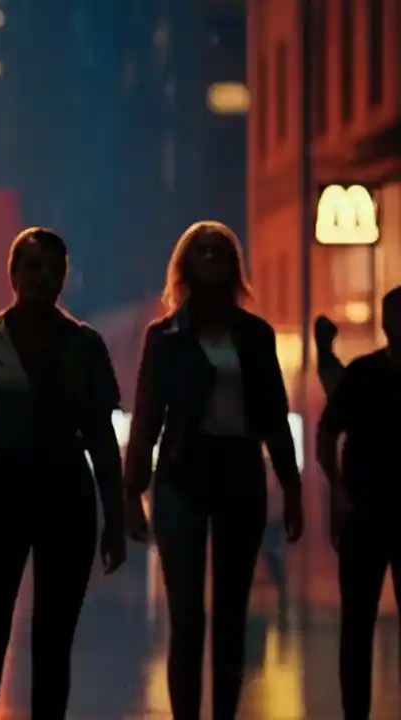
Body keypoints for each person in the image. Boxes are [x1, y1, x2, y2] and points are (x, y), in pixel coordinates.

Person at [0, 228, 126, 719]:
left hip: (67, 494)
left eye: (53, 268)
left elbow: (102, 439)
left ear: (66, 276)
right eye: (33, 266)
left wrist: (117, 518)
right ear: (13, 274)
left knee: (54, 637)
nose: (44, 277)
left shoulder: (84, 345)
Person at [125, 220, 303, 720]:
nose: (209, 257)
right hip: (182, 475)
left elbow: (273, 413)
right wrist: (131, 491)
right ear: (184, 264)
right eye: (200, 250)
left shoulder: (255, 336)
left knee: (231, 614)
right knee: (186, 616)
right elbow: (147, 417)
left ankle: (224, 712)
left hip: (239, 475)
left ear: (233, 264)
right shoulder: (164, 338)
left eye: (218, 250)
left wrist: (290, 488)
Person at [316, 287, 401, 720]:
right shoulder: (364, 376)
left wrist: (338, 493)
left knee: (357, 626)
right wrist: (339, 494)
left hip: (363, 511)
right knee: (356, 625)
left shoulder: (363, 374)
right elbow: (327, 433)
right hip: (365, 512)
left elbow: (328, 432)